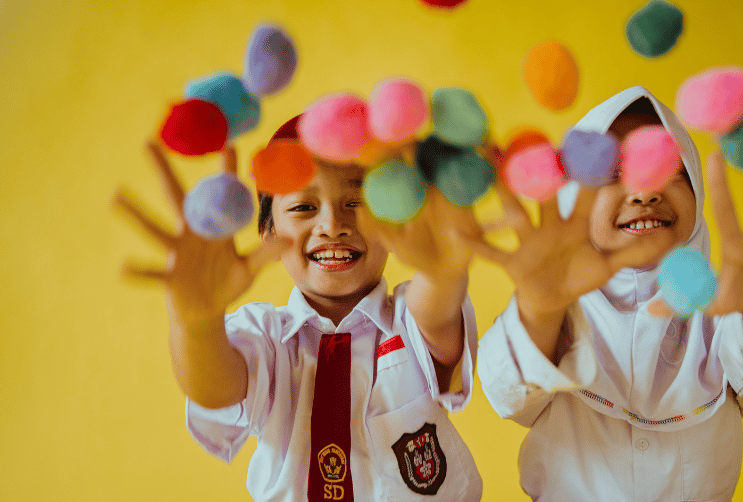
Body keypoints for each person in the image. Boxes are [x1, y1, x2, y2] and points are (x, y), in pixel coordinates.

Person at [475, 87, 743, 501]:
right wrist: (540, 313)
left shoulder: (726, 301)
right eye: (614, 173)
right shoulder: (554, 308)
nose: (644, 192)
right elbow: (505, 390)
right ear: (573, 198)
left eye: (666, 169)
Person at [114, 116, 484, 501]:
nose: (332, 224)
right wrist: (197, 323)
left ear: (395, 218)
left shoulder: (410, 317)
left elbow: (437, 313)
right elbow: (215, 388)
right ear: (268, 232)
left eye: (356, 202)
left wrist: (443, 274)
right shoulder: (266, 336)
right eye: (304, 206)